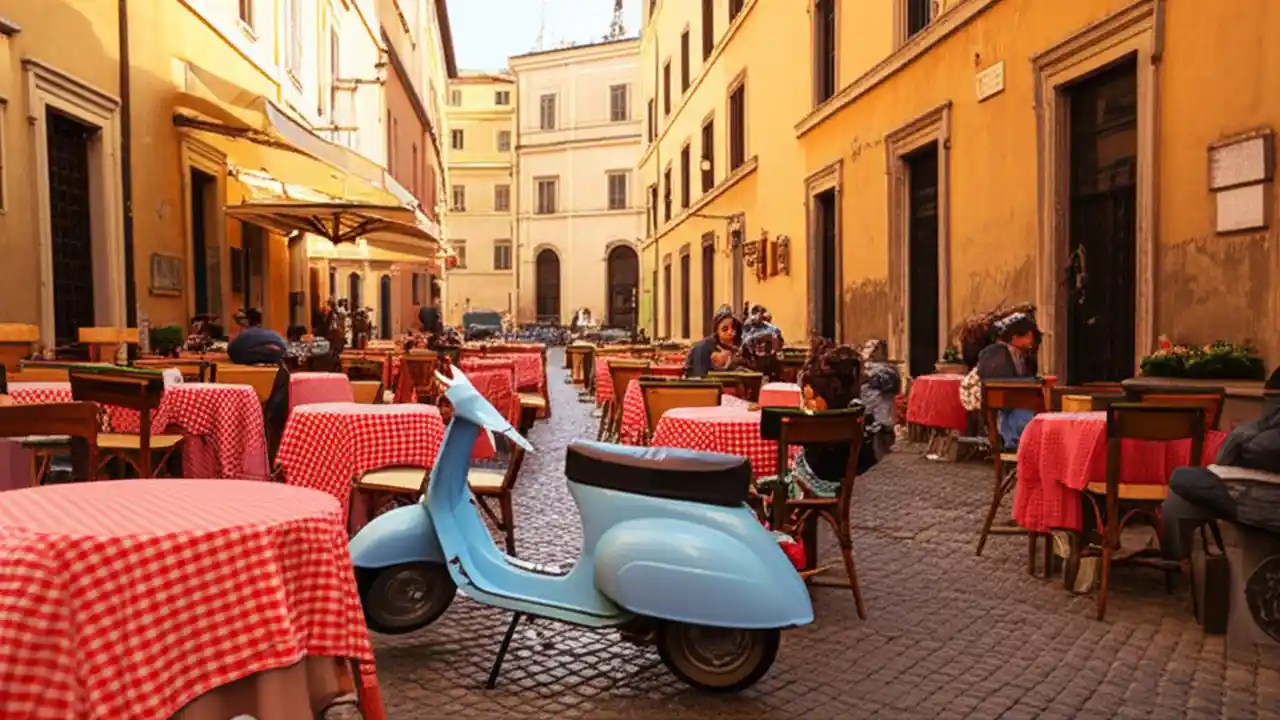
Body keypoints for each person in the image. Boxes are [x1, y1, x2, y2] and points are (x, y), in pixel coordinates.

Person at [1162, 367, 1280, 561]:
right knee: (1183, 486)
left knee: (1182, 483)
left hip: (1259, 499)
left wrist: (1250, 431)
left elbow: (1236, 455)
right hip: (1253, 491)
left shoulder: (1258, 439)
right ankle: (1178, 560)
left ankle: (1176, 560)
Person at [758, 338, 880, 500]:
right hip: (834, 484)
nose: (806, 404)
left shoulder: (817, 427)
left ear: (828, 396)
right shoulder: (852, 417)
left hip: (813, 484)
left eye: (811, 398)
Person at [975, 311, 1041, 449]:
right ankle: (1009, 440)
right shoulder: (995, 353)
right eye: (1027, 335)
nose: (1031, 340)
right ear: (1015, 337)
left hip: (1017, 403)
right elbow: (996, 383)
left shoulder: (1023, 356)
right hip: (1003, 408)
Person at [860, 339, 901, 462]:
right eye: (868, 347)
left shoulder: (889, 370)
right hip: (867, 412)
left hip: (881, 414)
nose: (872, 351)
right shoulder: (862, 367)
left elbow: (891, 385)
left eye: (875, 348)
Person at [684, 304, 741, 378]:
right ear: (717, 330)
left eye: (733, 328)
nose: (730, 332)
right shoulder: (703, 348)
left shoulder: (739, 347)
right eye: (725, 329)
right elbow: (699, 375)